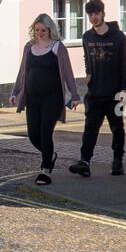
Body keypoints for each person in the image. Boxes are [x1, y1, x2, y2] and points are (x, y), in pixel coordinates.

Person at [10, 14, 80, 184]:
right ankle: (50, 155)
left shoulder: (57, 47)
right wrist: (15, 92)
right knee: (33, 135)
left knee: (45, 133)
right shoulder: (29, 47)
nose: (40, 33)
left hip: (52, 99)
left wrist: (75, 95)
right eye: (37, 30)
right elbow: (22, 72)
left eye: (43, 30)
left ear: (50, 30)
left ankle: (45, 170)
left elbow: (68, 73)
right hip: (33, 98)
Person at [69, 0, 126, 177]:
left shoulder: (118, 37)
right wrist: (88, 73)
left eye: (97, 13)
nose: (94, 17)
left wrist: (125, 89)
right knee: (90, 128)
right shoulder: (87, 37)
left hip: (117, 93)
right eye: (91, 14)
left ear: (103, 13)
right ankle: (84, 162)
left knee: (118, 128)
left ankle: (118, 160)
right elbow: (86, 57)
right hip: (95, 93)